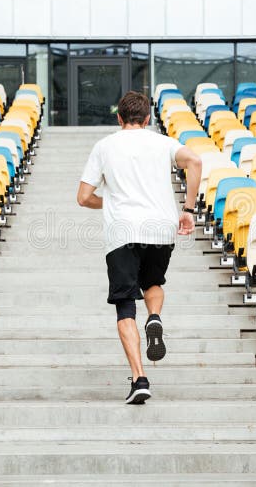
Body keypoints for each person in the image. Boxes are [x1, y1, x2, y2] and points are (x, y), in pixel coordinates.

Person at [77, 91, 202, 405]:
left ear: (119, 118)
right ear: (147, 118)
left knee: (125, 305)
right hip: (161, 228)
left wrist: (110, 202)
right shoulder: (163, 142)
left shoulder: (104, 146)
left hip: (123, 231)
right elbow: (196, 161)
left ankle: (139, 379)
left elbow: (83, 197)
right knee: (153, 282)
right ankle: (154, 316)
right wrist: (188, 210)